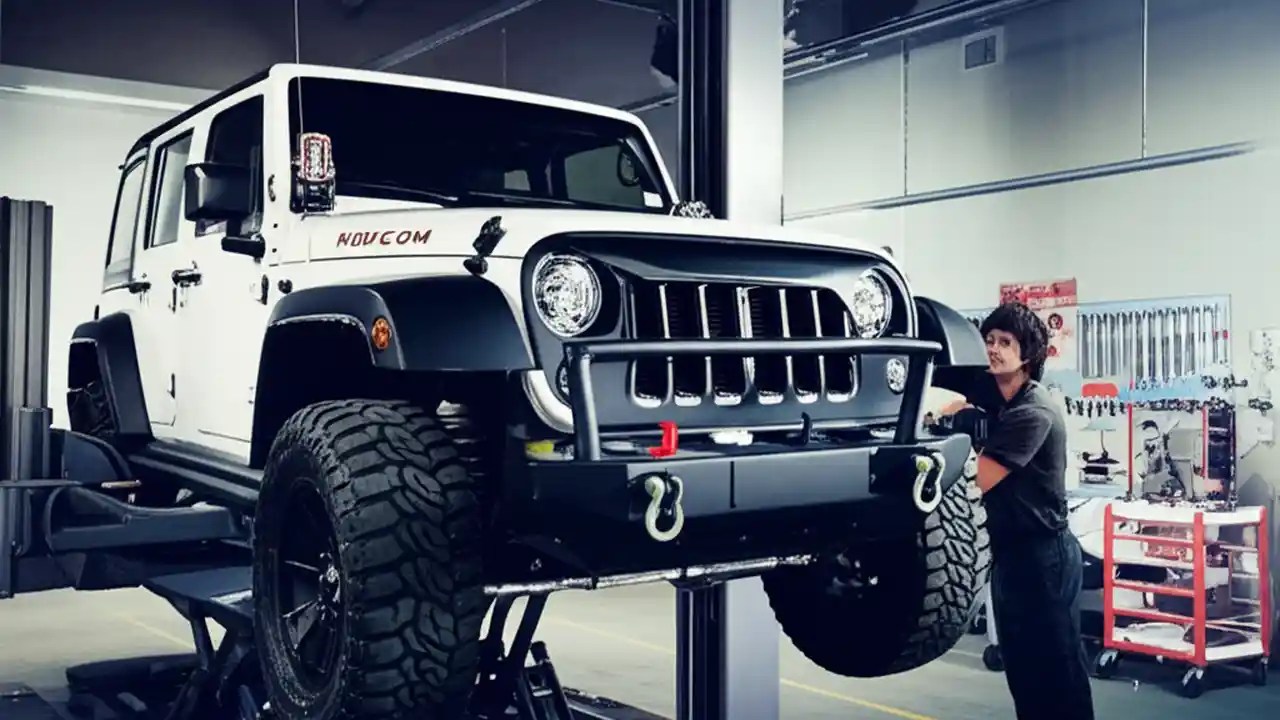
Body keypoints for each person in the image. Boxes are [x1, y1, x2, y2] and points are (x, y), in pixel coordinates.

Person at [941, 301, 1095, 719]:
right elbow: (956, 383)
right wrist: (957, 410)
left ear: (1027, 355)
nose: (992, 349)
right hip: (1009, 555)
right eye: (988, 340)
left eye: (1004, 342)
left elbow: (977, 481)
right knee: (1023, 673)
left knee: (1058, 674)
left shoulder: (1033, 410)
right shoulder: (1000, 396)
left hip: (1044, 558)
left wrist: (957, 431)